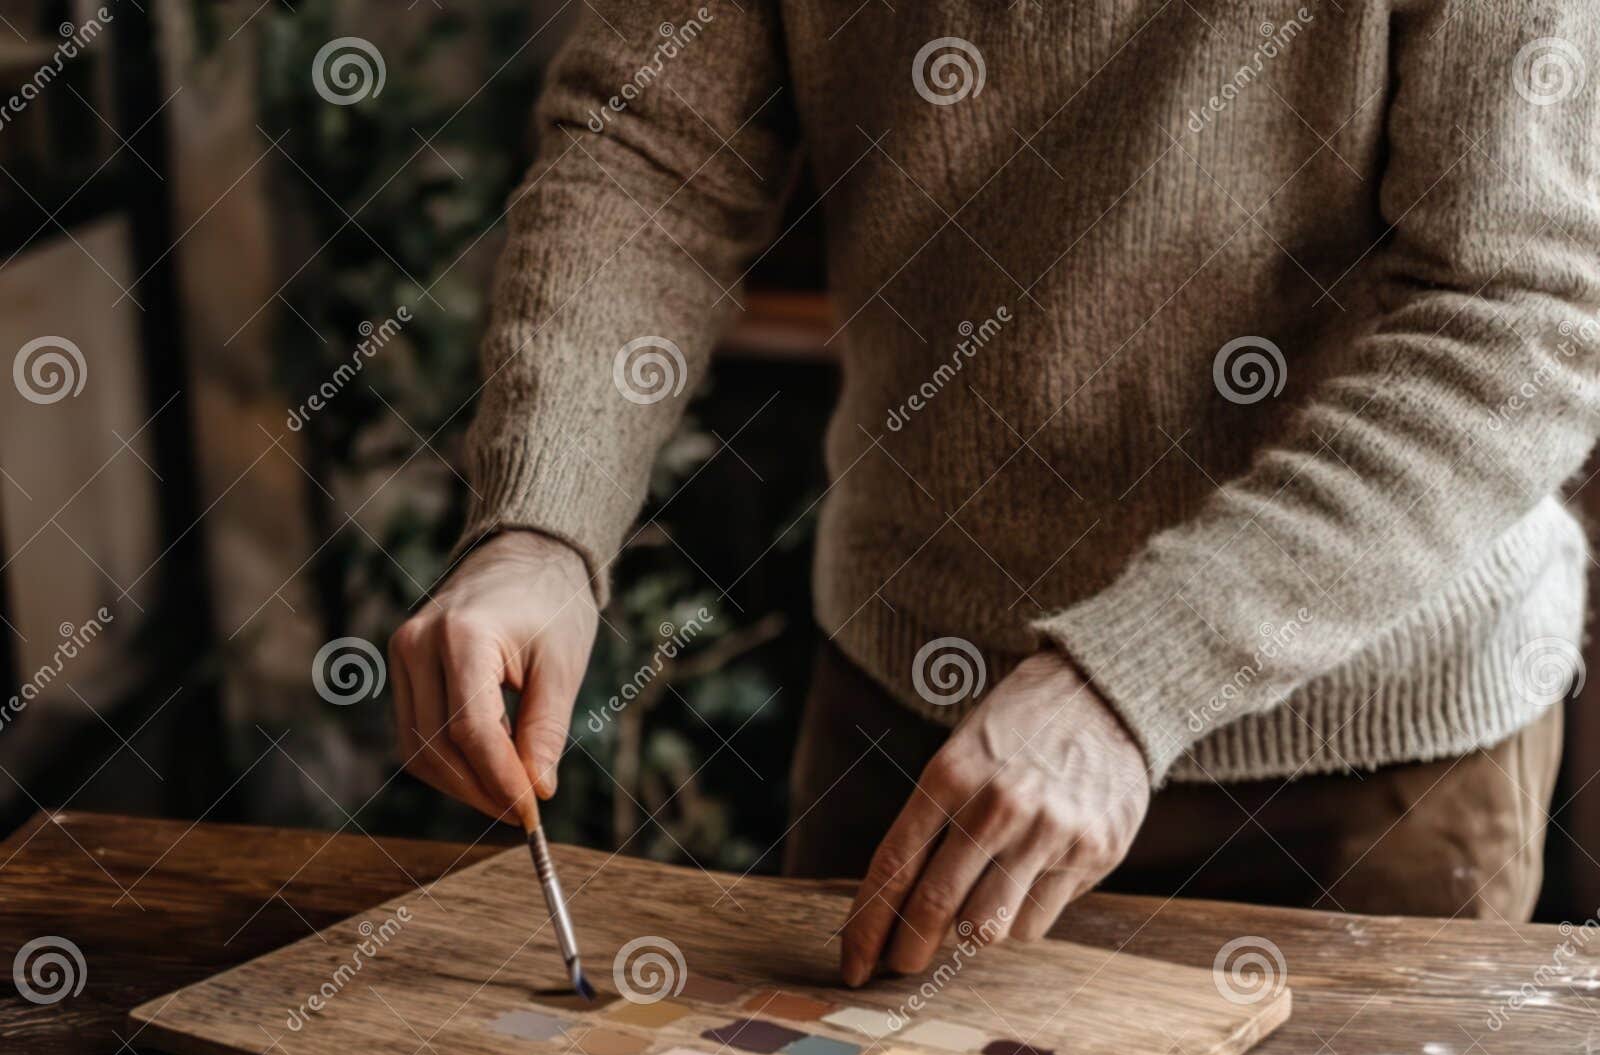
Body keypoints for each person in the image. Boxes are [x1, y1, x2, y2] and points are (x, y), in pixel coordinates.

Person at [388, 3, 1600, 984]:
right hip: (914, 710)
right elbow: (650, 149)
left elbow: (1518, 314)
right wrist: (543, 521)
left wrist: (1134, 673)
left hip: (1363, 766)